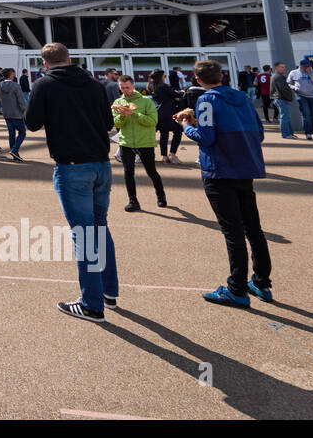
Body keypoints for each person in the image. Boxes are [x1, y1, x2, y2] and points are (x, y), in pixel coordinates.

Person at [24, 43, 119, 323]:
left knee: (84, 235)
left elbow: (32, 123)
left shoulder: (44, 85)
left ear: (45, 63)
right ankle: (109, 292)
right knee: (100, 227)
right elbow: (108, 122)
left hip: (72, 167)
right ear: (70, 58)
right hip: (101, 164)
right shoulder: (94, 84)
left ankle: (91, 304)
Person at [174, 59, 273, 307]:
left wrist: (187, 126)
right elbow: (259, 133)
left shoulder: (206, 100)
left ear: (197, 80)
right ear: (222, 75)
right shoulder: (242, 98)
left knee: (233, 231)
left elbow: (206, 138)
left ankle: (236, 288)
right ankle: (261, 282)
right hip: (245, 168)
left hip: (219, 170)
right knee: (253, 227)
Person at [112, 75, 167, 211]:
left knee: (151, 171)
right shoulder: (118, 102)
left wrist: (134, 114)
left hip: (145, 142)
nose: (125, 90)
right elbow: (116, 123)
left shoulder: (146, 102)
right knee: (128, 172)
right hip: (126, 142)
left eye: (128, 87)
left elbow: (153, 121)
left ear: (133, 86)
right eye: (122, 88)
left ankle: (161, 196)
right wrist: (122, 114)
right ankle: (133, 201)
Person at [149, 70, 184, 163]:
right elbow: (175, 94)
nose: (165, 77)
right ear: (161, 76)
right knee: (178, 132)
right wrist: (180, 92)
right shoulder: (163, 86)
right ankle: (172, 154)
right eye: (164, 75)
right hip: (170, 112)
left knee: (164, 135)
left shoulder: (151, 86)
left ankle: (164, 156)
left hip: (159, 113)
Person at [0, 67, 27, 162]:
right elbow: (21, 101)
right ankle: (14, 150)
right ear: (11, 75)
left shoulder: (0, 85)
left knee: (11, 133)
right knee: (22, 133)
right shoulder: (15, 86)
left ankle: (14, 153)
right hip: (16, 113)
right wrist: (25, 111)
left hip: (6, 113)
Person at [287, 60, 313, 140]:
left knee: (312, 116)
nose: (307, 68)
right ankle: (308, 133)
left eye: (308, 66)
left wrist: (310, 74)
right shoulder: (293, 72)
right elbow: (288, 83)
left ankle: (312, 133)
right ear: (300, 66)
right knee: (306, 115)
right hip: (301, 95)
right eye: (305, 66)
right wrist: (294, 88)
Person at [271, 61, 296, 138]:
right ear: (277, 68)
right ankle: (286, 134)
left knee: (285, 117)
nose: (284, 68)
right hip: (282, 99)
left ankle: (289, 133)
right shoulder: (279, 77)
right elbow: (284, 89)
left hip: (279, 98)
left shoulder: (275, 76)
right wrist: (289, 98)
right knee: (285, 117)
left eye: (284, 67)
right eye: (282, 67)